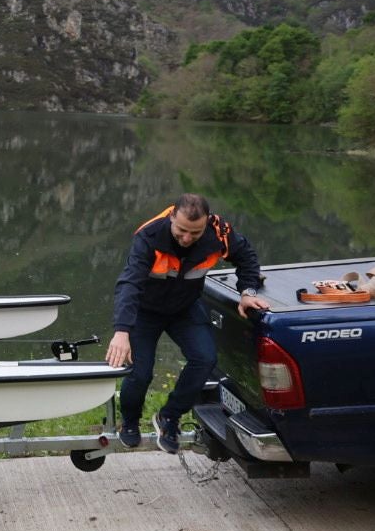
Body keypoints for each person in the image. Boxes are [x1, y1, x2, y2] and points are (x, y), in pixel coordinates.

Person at [105, 193, 268, 454]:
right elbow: (129, 284)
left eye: (195, 232)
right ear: (171, 217)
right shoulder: (148, 237)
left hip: (185, 307)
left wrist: (247, 292)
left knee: (205, 359)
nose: (187, 238)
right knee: (140, 373)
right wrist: (122, 331)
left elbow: (246, 255)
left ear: (206, 223)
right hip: (145, 312)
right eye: (181, 230)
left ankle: (170, 416)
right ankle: (130, 420)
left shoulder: (218, 232)